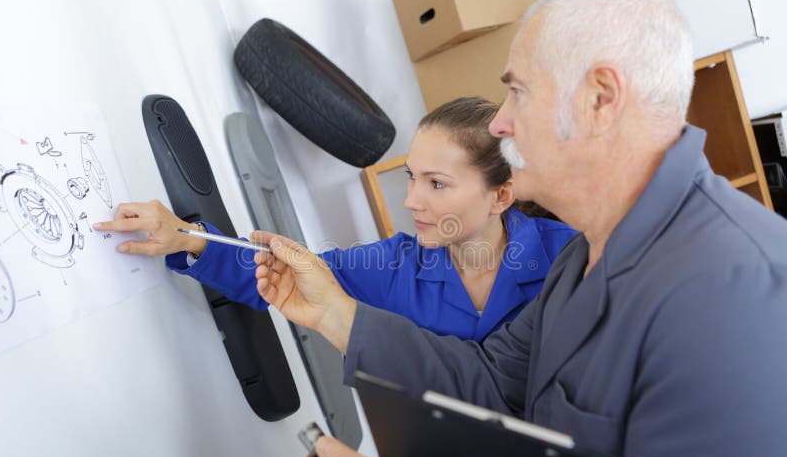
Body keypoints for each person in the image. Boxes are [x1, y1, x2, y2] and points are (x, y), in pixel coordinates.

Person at [250, 0, 787, 457]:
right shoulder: (583, 258)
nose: (501, 123)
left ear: (600, 99)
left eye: (518, 93)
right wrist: (334, 315)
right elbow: (491, 383)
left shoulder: (740, 294)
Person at [95, 97, 575, 342]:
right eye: (411, 177)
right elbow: (287, 272)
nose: (411, 201)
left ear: (500, 196)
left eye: (437, 183)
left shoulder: (572, 255)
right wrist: (188, 238)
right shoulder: (392, 265)